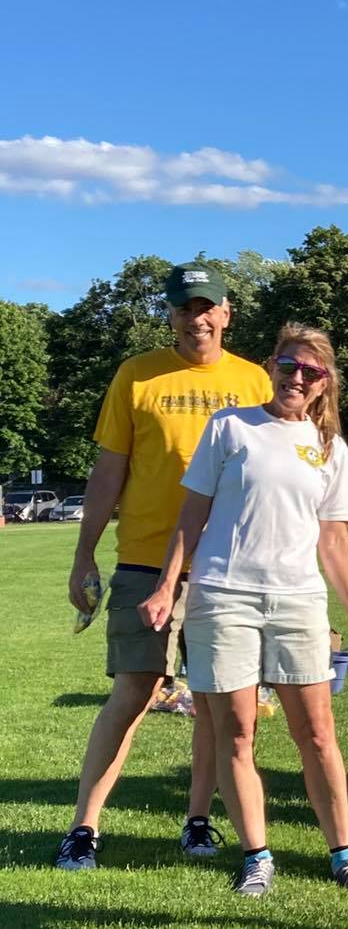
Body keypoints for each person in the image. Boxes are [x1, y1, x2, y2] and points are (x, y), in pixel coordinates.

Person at [136, 324, 348, 896]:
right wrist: (165, 585)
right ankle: (257, 855)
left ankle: (344, 852)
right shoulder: (229, 426)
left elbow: (334, 540)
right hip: (223, 596)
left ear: (325, 383)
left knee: (318, 733)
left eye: (311, 371)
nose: (297, 378)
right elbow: (191, 516)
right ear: (272, 366)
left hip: (298, 598)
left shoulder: (331, 449)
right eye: (288, 365)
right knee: (237, 733)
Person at [56, 261, 272, 872]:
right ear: (171, 313)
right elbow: (108, 472)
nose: (195, 317)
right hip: (145, 562)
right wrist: (83, 555)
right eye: (183, 307)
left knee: (216, 700)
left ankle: (198, 821)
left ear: (226, 313)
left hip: (226, 566)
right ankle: (84, 827)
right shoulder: (137, 375)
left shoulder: (256, 381)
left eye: (206, 306)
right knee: (133, 690)